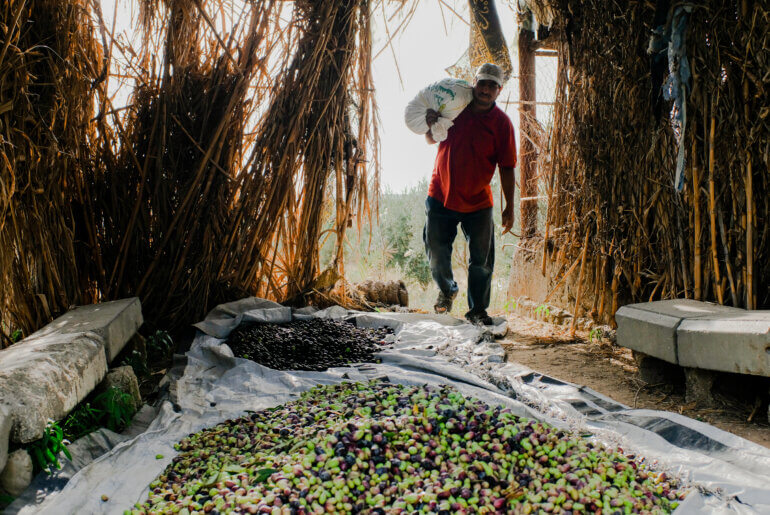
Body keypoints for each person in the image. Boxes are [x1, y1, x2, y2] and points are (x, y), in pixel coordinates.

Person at [422, 63, 516, 325]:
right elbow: (430, 139)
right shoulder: (454, 109)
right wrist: (431, 123)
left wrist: (509, 207)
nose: (485, 89)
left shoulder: (502, 124)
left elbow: (507, 167)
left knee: (481, 261)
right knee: (436, 250)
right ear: (474, 83)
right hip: (441, 194)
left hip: (478, 202)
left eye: (492, 85)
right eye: (482, 83)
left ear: (499, 90)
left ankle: (477, 312)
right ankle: (447, 290)